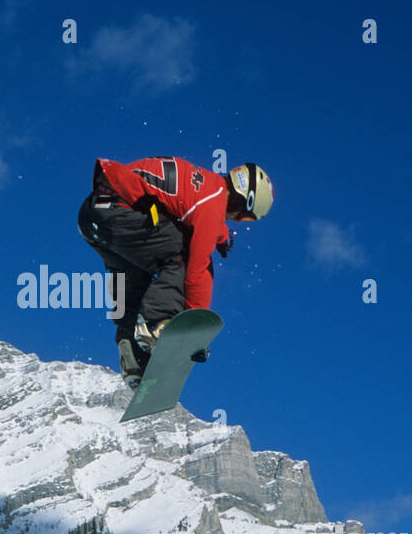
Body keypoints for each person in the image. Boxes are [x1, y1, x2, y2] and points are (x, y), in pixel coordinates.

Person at [78, 155, 273, 388]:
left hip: (94, 216)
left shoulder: (207, 186)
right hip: (119, 212)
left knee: (134, 276)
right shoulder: (213, 203)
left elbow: (190, 205)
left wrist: (221, 236)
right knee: (183, 254)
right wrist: (194, 327)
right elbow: (197, 271)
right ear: (244, 201)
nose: (240, 221)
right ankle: (157, 324)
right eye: (247, 216)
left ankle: (130, 350)